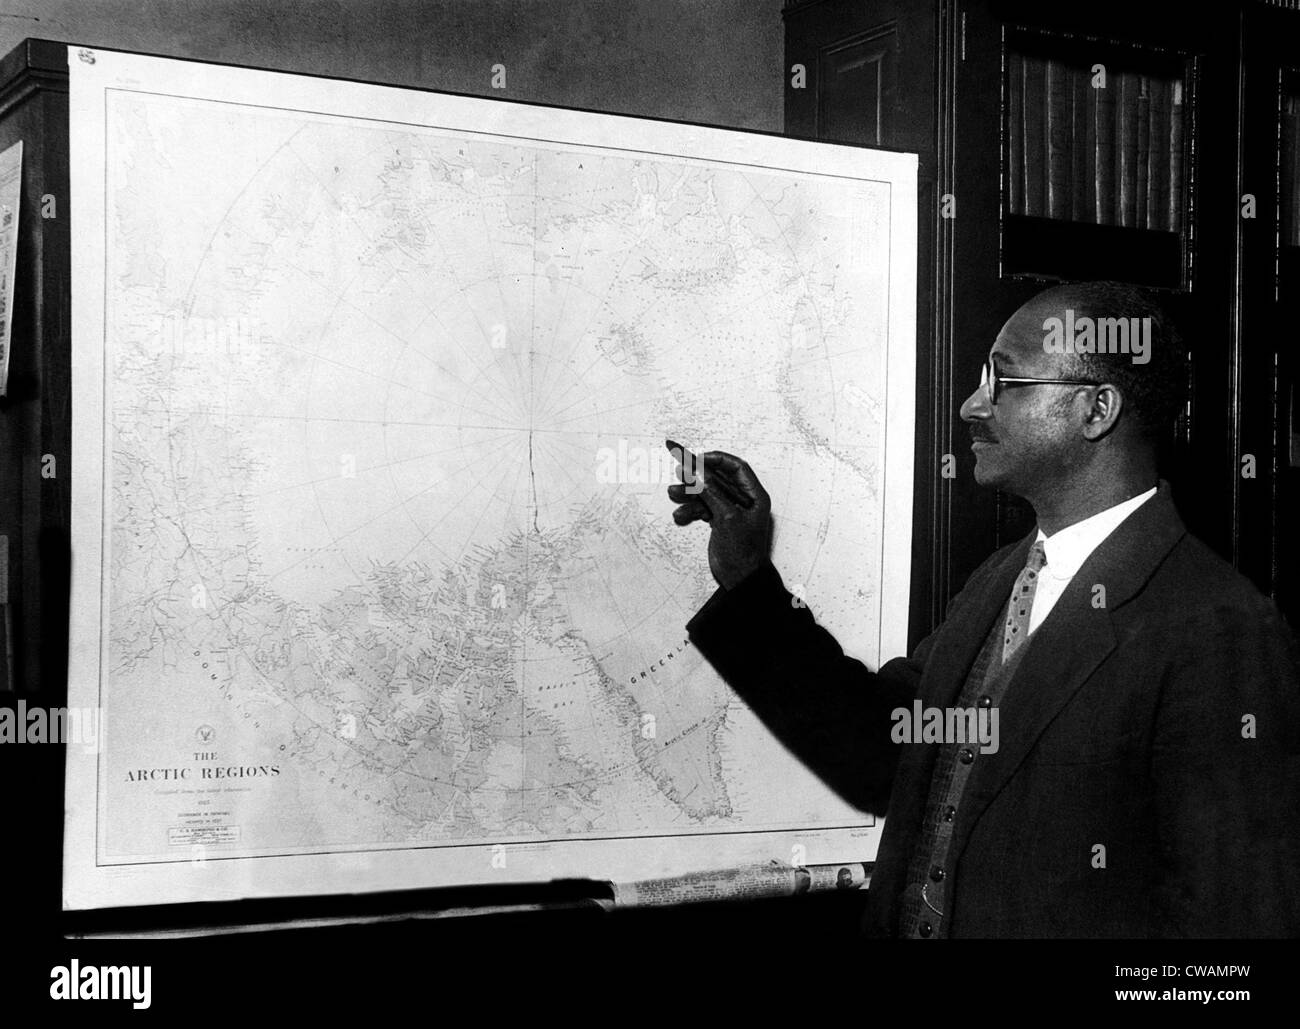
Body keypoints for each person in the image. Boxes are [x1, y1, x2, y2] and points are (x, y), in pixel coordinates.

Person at [667, 281, 1300, 938]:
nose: (972, 405)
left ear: (1097, 409)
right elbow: (882, 747)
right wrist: (746, 576)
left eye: (1003, 381)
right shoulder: (1002, 578)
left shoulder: (1221, 629)